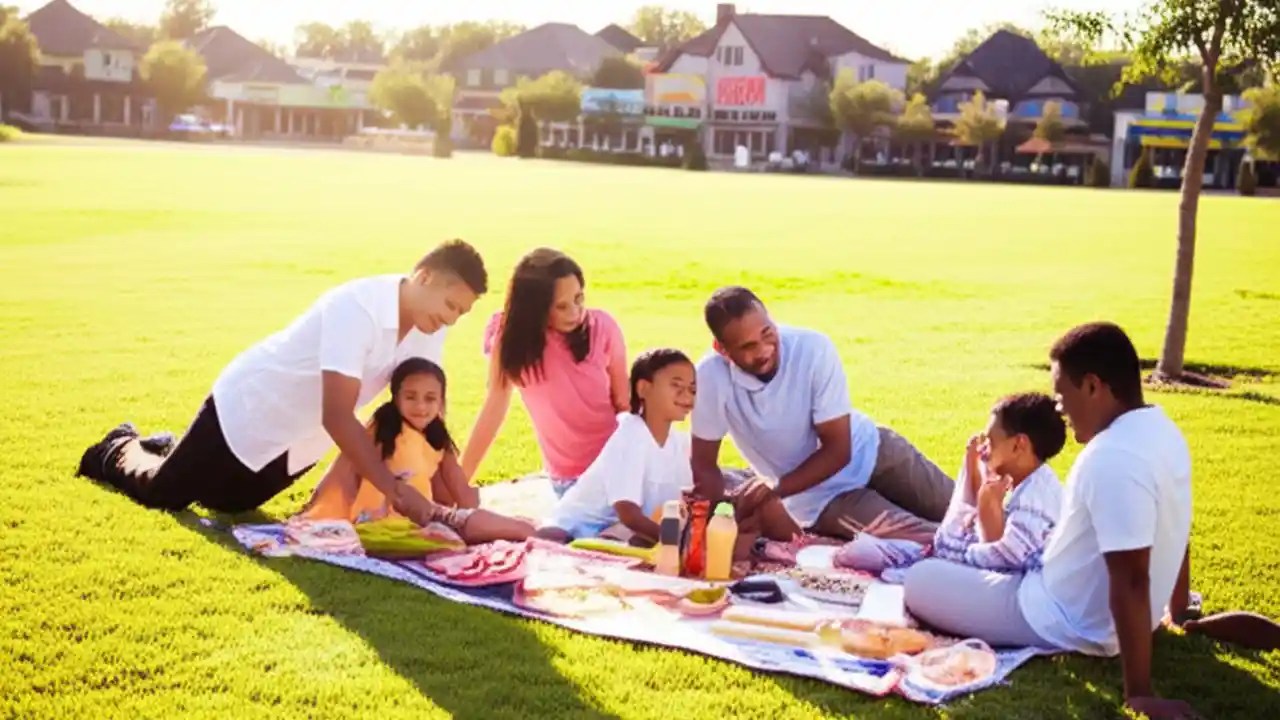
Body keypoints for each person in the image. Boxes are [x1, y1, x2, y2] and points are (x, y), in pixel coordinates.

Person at [76, 240, 487, 526]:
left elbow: (420, 414)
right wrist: (397, 492)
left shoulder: (432, 328)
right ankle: (118, 445)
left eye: (461, 313)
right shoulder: (358, 308)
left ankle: (176, 448)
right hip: (249, 408)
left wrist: (453, 490)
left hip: (301, 439)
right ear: (425, 276)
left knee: (228, 504)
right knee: (165, 493)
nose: (452, 318)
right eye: (451, 305)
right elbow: (338, 415)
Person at [905, 322, 1197, 720]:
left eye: (1062, 396)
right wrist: (1177, 611)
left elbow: (1130, 577)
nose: (1059, 409)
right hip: (1077, 604)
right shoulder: (1163, 432)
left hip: (1057, 615)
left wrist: (1139, 693)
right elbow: (1178, 527)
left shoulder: (1112, 457)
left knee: (920, 579)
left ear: (1093, 386)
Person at [689, 286, 953, 544]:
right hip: (822, 499)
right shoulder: (710, 378)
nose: (763, 350)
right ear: (721, 349)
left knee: (967, 513)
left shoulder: (812, 348)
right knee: (936, 540)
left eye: (767, 333)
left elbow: (838, 449)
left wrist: (775, 488)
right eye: (748, 346)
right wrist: (714, 521)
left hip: (876, 449)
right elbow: (703, 463)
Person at [299, 358, 533, 543]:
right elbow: (349, 468)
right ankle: (529, 532)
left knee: (472, 522)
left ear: (441, 402)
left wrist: (471, 513)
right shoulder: (383, 428)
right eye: (410, 397)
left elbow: (459, 487)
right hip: (378, 521)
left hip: (424, 517)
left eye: (430, 399)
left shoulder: (437, 436)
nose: (420, 407)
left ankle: (528, 531)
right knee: (467, 526)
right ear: (396, 398)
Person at [461, 248, 628, 497]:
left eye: (579, 298)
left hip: (619, 467)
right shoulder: (510, 340)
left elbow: (624, 403)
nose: (575, 312)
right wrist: (459, 481)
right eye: (561, 306)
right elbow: (493, 409)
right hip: (569, 480)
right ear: (535, 308)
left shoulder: (602, 327)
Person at [538, 349, 695, 543]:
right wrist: (676, 542)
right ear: (644, 389)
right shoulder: (630, 434)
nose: (687, 396)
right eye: (677, 386)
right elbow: (628, 513)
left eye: (692, 389)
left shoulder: (677, 441)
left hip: (618, 531)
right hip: (577, 527)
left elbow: (684, 499)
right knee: (555, 538)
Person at [932, 393, 1066, 573]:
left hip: (1026, 594)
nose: (982, 449)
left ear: (1018, 445)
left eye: (990, 441)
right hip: (1012, 584)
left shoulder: (1036, 497)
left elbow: (1005, 561)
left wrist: (955, 544)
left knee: (923, 576)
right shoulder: (1020, 486)